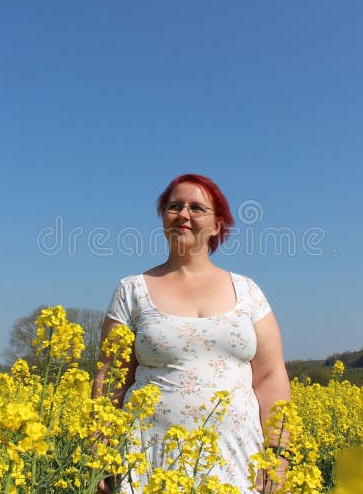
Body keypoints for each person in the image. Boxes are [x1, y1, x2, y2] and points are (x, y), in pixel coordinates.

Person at [92, 174, 291, 493]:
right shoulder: (131, 290)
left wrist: (278, 455)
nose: (183, 214)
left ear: (217, 224)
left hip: (236, 459)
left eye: (197, 208)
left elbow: (270, 376)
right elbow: (112, 378)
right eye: (174, 206)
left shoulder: (247, 291)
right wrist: (100, 455)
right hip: (146, 458)